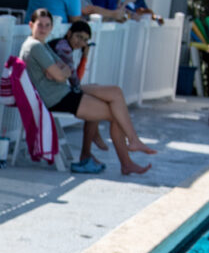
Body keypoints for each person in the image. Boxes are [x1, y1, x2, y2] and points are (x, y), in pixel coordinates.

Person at [21, 9, 156, 178]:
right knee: (115, 111)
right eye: (40, 25)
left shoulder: (42, 44)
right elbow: (61, 74)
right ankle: (128, 155)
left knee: (115, 94)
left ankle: (129, 146)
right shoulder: (35, 47)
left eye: (47, 25)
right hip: (58, 98)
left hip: (62, 92)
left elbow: (66, 72)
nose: (43, 28)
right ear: (31, 25)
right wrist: (61, 72)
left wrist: (61, 72)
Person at [48, 19, 105, 173]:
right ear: (69, 33)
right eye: (78, 37)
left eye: (85, 40)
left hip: (54, 92)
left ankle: (90, 147)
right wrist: (85, 57)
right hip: (52, 96)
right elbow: (75, 82)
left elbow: (74, 81)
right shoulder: (63, 49)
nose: (81, 42)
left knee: (96, 96)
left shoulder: (63, 45)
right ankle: (87, 153)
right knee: (95, 106)